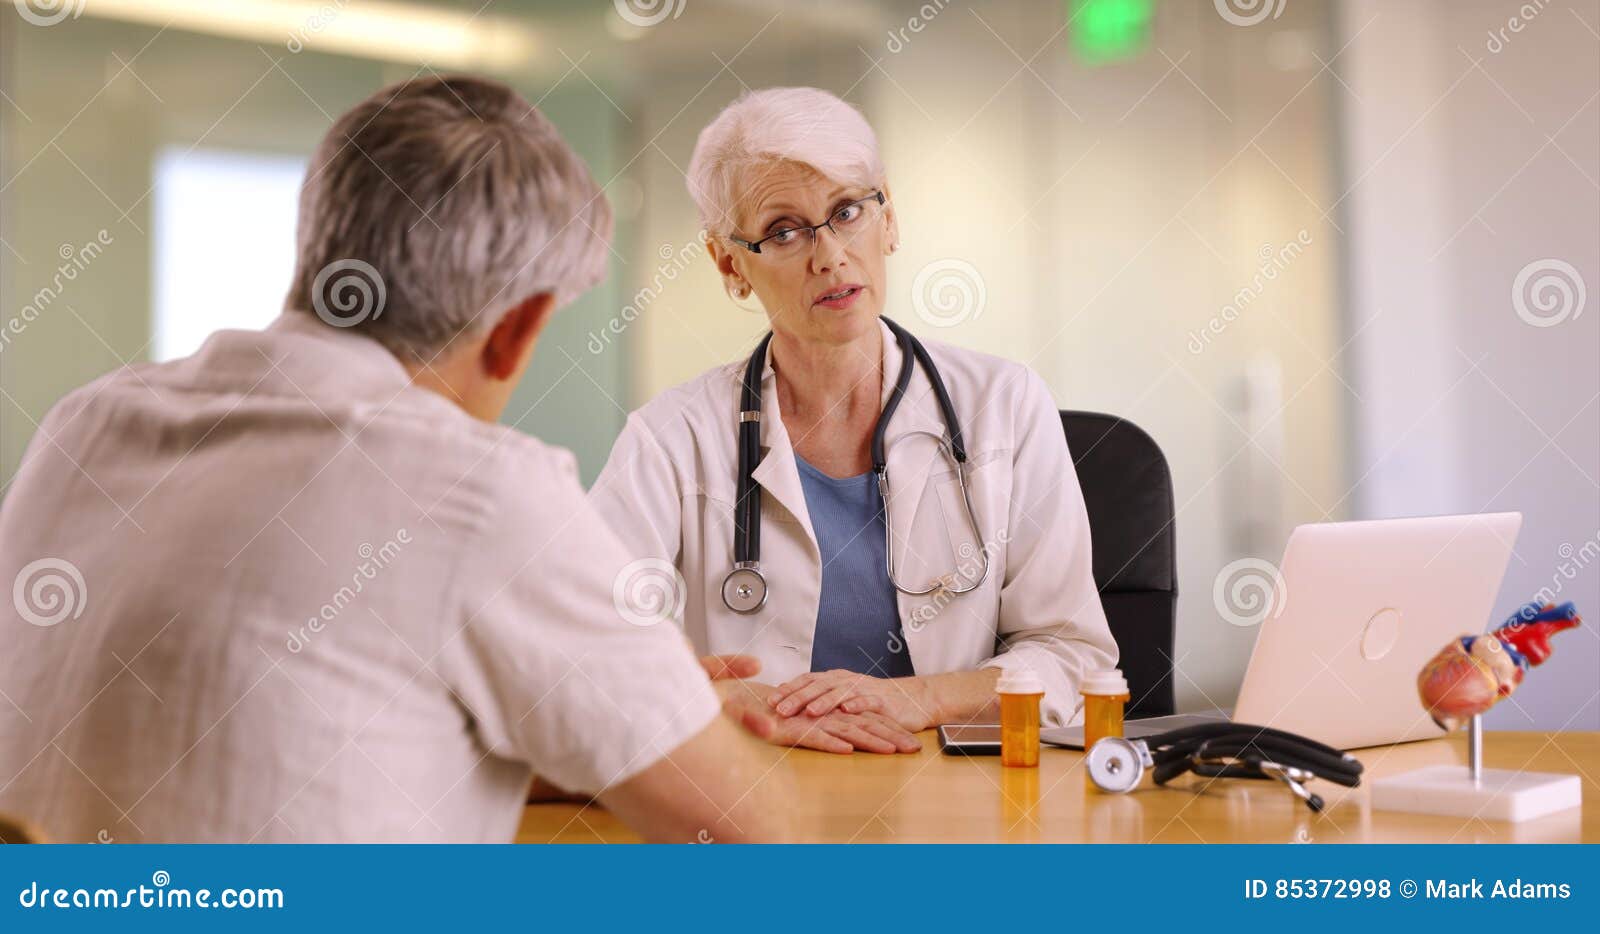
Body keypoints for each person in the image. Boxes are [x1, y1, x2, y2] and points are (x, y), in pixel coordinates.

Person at [0, 76, 784, 843]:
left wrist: (608, 713)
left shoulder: (87, 423)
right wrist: (663, 703)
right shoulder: (479, 490)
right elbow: (744, 830)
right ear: (519, 328)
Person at [591, 87, 1118, 751]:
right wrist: (722, 700)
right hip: (756, 801)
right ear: (730, 264)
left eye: (846, 212)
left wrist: (914, 699)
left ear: (888, 218)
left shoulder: (1005, 405)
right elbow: (575, 650)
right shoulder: (672, 438)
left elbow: (1075, 658)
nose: (830, 255)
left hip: (961, 810)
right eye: (783, 231)